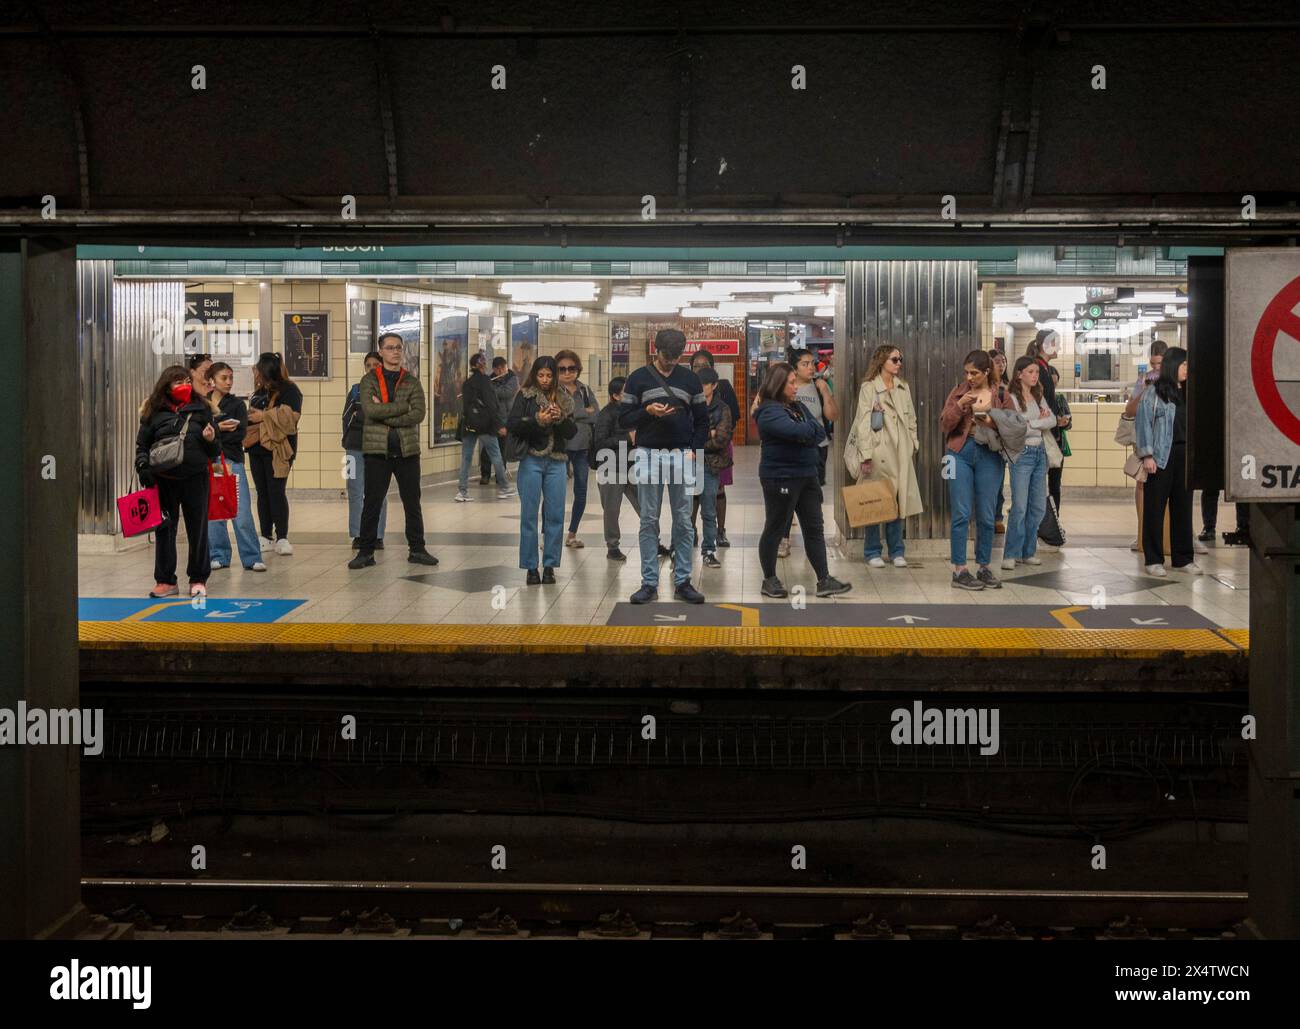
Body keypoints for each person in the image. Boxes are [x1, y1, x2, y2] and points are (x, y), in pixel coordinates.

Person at [619, 329, 710, 605]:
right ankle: (649, 582)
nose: (671, 362)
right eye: (666, 356)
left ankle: (683, 580)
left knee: (683, 520)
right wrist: (647, 412)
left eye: (676, 357)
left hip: (681, 454)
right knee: (649, 519)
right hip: (648, 453)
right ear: (655, 350)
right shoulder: (637, 379)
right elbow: (624, 419)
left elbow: (702, 420)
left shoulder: (690, 379)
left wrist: (695, 450)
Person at [754, 363, 851, 598]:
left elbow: (819, 433)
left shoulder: (796, 407)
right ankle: (769, 579)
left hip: (807, 475)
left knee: (814, 528)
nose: (796, 387)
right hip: (781, 477)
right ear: (778, 384)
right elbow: (798, 432)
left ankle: (824, 579)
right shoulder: (767, 411)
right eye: (791, 382)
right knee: (775, 528)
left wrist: (805, 430)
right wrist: (805, 430)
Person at [347, 332, 439, 569]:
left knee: (412, 502)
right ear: (381, 352)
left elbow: (418, 413)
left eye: (398, 347)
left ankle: (417, 549)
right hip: (378, 451)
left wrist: (386, 412)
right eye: (390, 348)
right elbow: (370, 410)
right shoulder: (369, 381)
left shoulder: (411, 381)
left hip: (407, 451)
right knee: (372, 502)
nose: (395, 351)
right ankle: (366, 552)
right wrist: (401, 410)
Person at [134, 365, 220, 597]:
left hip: (195, 478)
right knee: (164, 530)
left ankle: (198, 579)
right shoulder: (153, 411)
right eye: (178, 382)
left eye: (187, 381)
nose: (184, 386)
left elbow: (214, 451)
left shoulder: (202, 409)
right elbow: (142, 445)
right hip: (164, 480)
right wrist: (143, 466)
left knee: (197, 529)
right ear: (166, 386)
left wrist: (211, 440)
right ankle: (166, 581)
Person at [940, 350, 1009, 591]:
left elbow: (1014, 426)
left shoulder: (1000, 394)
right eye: (967, 372)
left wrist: (989, 421)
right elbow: (945, 424)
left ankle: (983, 566)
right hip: (959, 453)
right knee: (961, 512)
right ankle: (959, 570)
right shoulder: (959, 391)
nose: (969, 377)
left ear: (987, 372)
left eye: (975, 373)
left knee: (987, 514)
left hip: (990, 454)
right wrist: (959, 406)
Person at [850, 344, 922, 568]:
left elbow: (911, 418)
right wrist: (866, 454)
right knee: (876, 500)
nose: (899, 363)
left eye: (900, 359)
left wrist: (913, 442)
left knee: (898, 502)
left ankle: (897, 550)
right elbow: (862, 422)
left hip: (900, 452)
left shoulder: (903, 387)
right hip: (879, 450)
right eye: (894, 359)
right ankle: (872, 551)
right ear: (882, 361)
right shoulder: (869, 388)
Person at [508, 355, 577, 584]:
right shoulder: (525, 395)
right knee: (529, 515)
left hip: (557, 461)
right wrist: (537, 419)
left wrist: (559, 418)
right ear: (534, 375)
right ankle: (530, 567)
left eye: (549, 375)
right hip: (531, 460)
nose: (545, 380)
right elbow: (514, 425)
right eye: (541, 375)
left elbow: (571, 432)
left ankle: (549, 566)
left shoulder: (564, 398)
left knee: (555, 515)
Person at [1135, 346, 1199, 577]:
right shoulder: (1154, 393)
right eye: (1183, 365)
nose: (1187, 370)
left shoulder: (1191, 392)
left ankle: (1183, 558)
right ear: (1173, 366)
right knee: (1155, 507)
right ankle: (1153, 559)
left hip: (1185, 456)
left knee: (1183, 508)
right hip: (1161, 456)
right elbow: (1143, 424)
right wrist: (1147, 455)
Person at [776, 347, 838, 558]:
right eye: (805, 364)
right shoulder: (785, 388)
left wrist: (826, 392)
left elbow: (832, 415)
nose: (811, 368)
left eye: (812, 363)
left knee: (813, 495)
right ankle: (783, 539)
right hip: (792, 450)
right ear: (794, 367)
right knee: (788, 497)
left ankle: (813, 539)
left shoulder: (819, 386)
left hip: (817, 449)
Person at [206, 362, 266, 573]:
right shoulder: (203, 404)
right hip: (211, 462)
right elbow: (197, 433)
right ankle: (218, 555)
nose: (229, 382)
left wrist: (214, 430)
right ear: (212, 381)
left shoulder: (237, 405)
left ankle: (252, 556)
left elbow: (239, 434)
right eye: (224, 378)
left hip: (231, 461)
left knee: (240, 511)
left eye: (231, 378)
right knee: (215, 511)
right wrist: (218, 427)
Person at [245, 352, 303, 556]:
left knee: (276, 491)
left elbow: (291, 419)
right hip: (256, 448)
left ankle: (282, 537)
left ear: (266, 372)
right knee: (262, 492)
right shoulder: (259, 391)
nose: (256, 374)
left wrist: (263, 416)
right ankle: (265, 535)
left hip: (279, 449)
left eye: (258, 371)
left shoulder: (290, 390)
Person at [1000, 356, 1054, 571]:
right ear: (1019, 373)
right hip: (1021, 454)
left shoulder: (1037, 395)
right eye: (1030, 372)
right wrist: (1036, 423)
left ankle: (1027, 551)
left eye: (1036, 372)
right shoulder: (1011, 398)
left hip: (1040, 453)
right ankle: (1011, 553)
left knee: (1038, 506)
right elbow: (1016, 427)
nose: (1034, 376)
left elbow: (1051, 420)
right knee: (1020, 507)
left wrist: (1032, 423)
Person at [690, 349, 740, 547]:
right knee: (694, 490)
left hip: (721, 447)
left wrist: (716, 433)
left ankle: (720, 532)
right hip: (695, 451)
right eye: (696, 366)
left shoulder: (724, 387)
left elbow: (733, 416)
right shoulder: (688, 388)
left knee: (719, 490)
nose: (700, 369)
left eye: (704, 366)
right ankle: (692, 531)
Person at [1125, 339, 1167, 552]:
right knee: (1142, 483)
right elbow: (1130, 410)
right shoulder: (1144, 381)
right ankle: (1142, 532)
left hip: (1166, 442)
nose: (1156, 369)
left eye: (1160, 364)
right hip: (1146, 439)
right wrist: (1144, 390)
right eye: (1153, 364)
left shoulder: (1176, 381)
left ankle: (1173, 534)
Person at [343, 350, 388, 549]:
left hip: (378, 447)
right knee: (354, 490)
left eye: (375, 365)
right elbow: (345, 417)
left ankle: (377, 535)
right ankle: (358, 534)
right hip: (353, 448)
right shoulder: (355, 390)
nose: (371, 368)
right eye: (368, 365)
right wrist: (346, 440)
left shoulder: (389, 391)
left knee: (378, 491)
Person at [456, 351, 515, 501]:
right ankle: (504, 488)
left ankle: (462, 492)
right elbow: (491, 405)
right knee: (496, 455)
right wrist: (499, 425)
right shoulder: (485, 382)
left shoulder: (467, 383)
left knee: (466, 458)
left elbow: (466, 407)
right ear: (482, 365)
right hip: (486, 426)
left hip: (469, 425)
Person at [593, 376, 640, 562]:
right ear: (615, 395)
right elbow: (600, 443)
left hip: (632, 467)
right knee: (612, 510)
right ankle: (612, 546)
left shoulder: (634, 412)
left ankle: (653, 540)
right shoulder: (606, 414)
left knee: (646, 507)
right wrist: (627, 439)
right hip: (611, 468)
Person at [555, 349, 599, 548]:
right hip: (559, 448)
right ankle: (549, 535)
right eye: (562, 369)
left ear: (577, 370)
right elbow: (559, 415)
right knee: (554, 493)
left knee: (581, 492)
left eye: (571, 368)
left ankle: (572, 534)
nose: (567, 372)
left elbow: (596, 414)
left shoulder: (584, 390)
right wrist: (582, 412)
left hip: (582, 448)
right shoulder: (553, 391)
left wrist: (572, 414)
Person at [693, 367, 734, 568]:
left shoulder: (723, 408)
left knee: (709, 511)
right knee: (684, 511)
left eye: (705, 385)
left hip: (711, 466)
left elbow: (722, 439)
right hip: (690, 464)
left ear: (714, 385)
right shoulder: (691, 406)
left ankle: (708, 550)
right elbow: (684, 432)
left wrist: (698, 444)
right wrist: (707, 433)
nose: (701, 388)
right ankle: (679, 548)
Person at [480, 356, 519, 483]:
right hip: (492, 419)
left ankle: (499, 475)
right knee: (487, 448)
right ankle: (485, 474)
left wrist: (490, 391)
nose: (501, 371)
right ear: (494, 369)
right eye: (498, 369)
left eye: (503, 367)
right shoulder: (489, 379)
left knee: (503, 448)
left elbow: (507, 392)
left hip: (506, 419)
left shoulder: (513, 378)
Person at [988, 349, 1010, 533]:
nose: (1001, 364)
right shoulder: (986, 386)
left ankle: (997, 517)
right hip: (987, 438)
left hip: (1003, 441)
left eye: (1003, 361)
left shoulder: (1008, 387)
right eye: (997, 361)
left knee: (999, 483)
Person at [1047, 365, 1072, 515]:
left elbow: (1069, 422)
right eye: (1051, 384)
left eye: (1056, 384)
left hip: (1057, 446)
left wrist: (1064, 422)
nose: (1054, 388)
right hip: (1040, 445)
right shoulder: (1036, 400)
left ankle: (1054, 518)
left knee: (1055, 484)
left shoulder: (1060, 399)